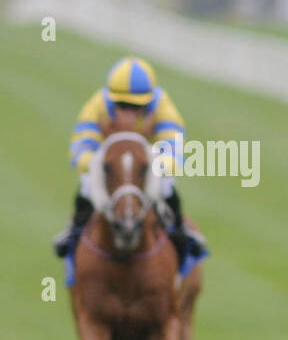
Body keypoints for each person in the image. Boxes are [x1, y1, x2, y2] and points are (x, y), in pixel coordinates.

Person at [54, 56, 205, 260]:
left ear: (149, 101)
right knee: (87, 184)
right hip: (109, 161)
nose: (129, 112)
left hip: (147, 160)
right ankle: (75, 230)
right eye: (122, 105)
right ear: (111, 98)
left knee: (167, 184)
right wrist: (96, 162)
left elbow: (174, 146)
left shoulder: (161, 104)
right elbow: (81, 146)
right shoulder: (99, 103)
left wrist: (158, 164)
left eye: (136, 107)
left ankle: (179, 230)